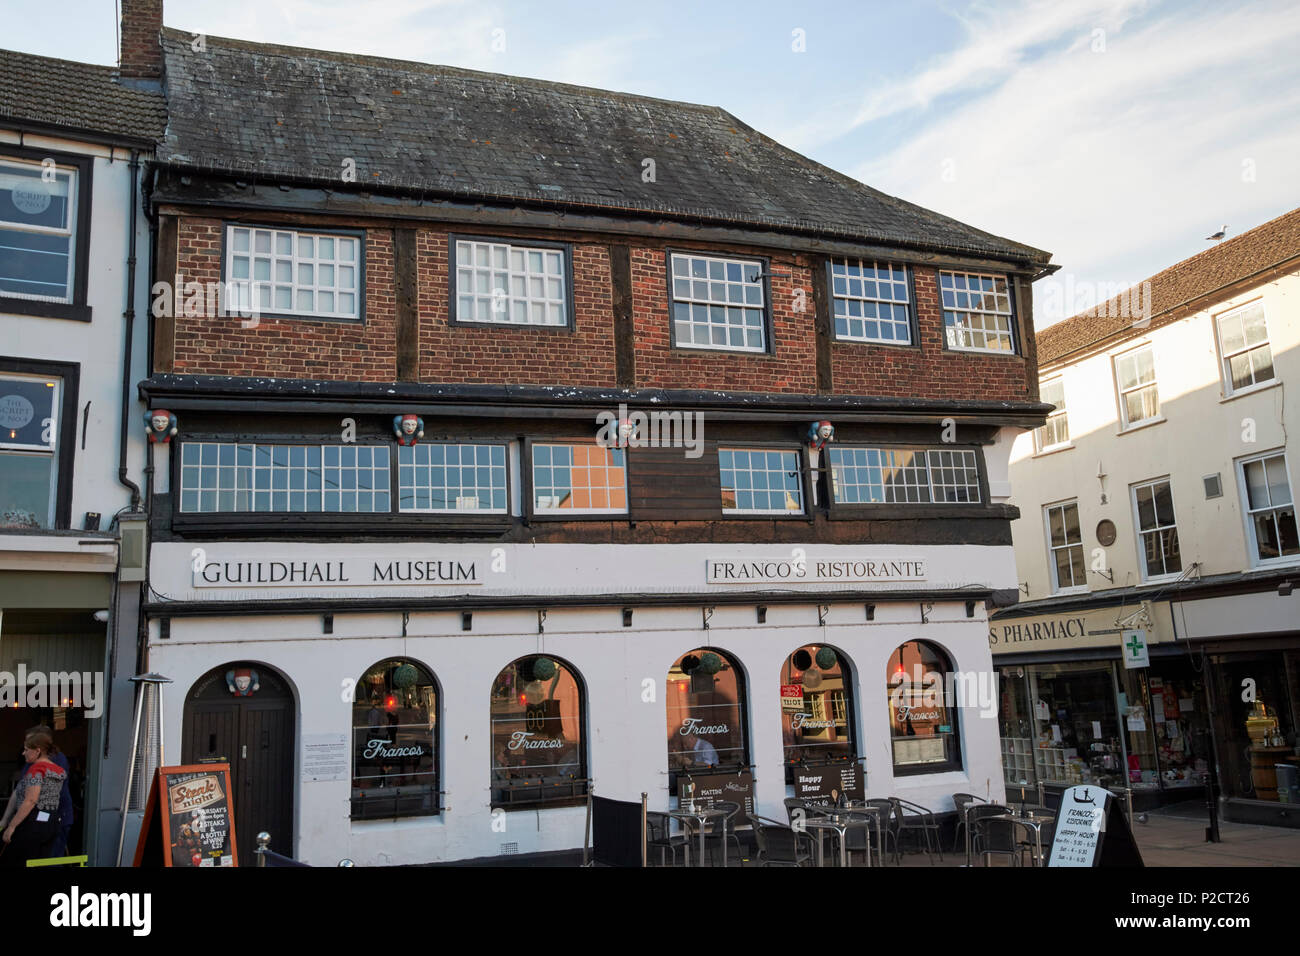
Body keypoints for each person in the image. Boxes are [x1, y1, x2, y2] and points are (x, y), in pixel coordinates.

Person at [0, 730, 68, 867]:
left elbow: (31, 800)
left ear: (37, 751)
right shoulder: (58, 770)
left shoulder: (37, 769)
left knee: (19, 860)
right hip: (52, 821)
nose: (23, 753)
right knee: (41, 862)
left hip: (33, 822)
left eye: (26, 750)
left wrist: (11, 826)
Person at [25, 725, 72, 855]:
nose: (26, 748)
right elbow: (22, 787)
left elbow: (34, 797)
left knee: (49, 859)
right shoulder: (32, 760)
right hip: (39, 818)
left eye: (29, 742)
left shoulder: (56, 760)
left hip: (52, 818)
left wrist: (13, 824)